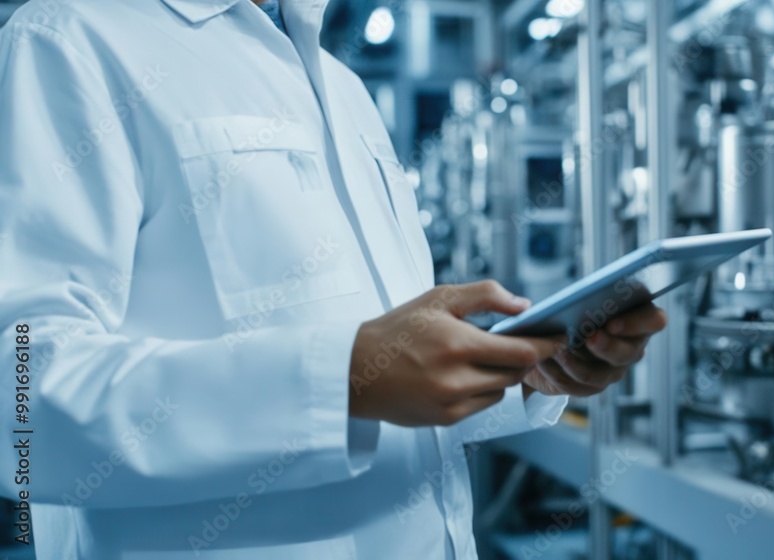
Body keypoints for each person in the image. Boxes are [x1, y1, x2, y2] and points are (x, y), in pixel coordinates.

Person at [0, 0, 667, 558]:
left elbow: (383, 379)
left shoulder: (342, 88)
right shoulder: (69, 42)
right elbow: (18, 406)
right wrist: (344, 379)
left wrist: (517, 369)